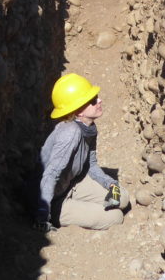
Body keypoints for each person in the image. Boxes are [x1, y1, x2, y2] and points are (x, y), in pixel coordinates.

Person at [34, 73, 130, 232]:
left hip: (72, 184)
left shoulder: (89, 129)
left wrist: (110, 184)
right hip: (52, 200)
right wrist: (43, 214)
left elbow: (91, 165)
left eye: (96, 97)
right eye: (92, 100)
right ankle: (58, 212)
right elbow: (51, 174)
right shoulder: (70, 133)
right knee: (115, 217)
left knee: (123, 196)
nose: (99, 101)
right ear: (78, 111)